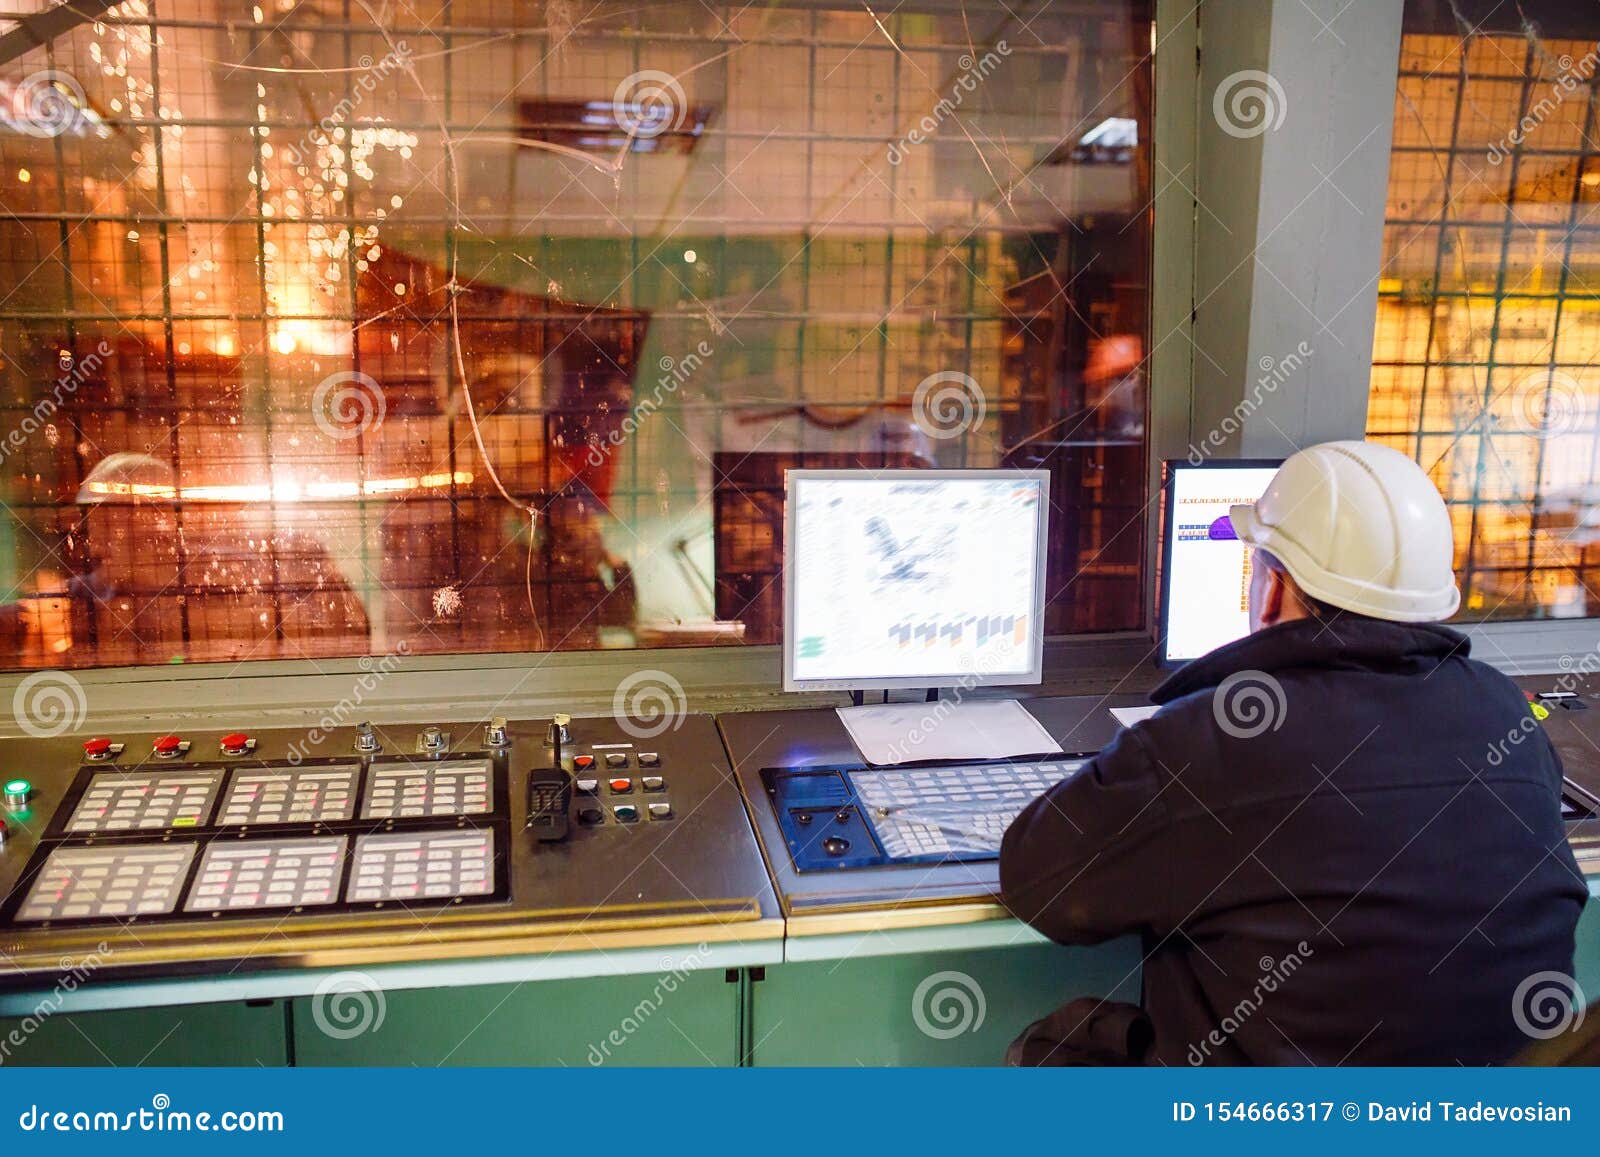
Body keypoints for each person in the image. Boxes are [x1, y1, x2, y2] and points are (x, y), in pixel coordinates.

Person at [999, 440, 1588, 1065]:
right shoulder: (1507, 716)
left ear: (1273, 589)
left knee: (1058, 1047)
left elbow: (1039, 882)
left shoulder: (1209, 741)